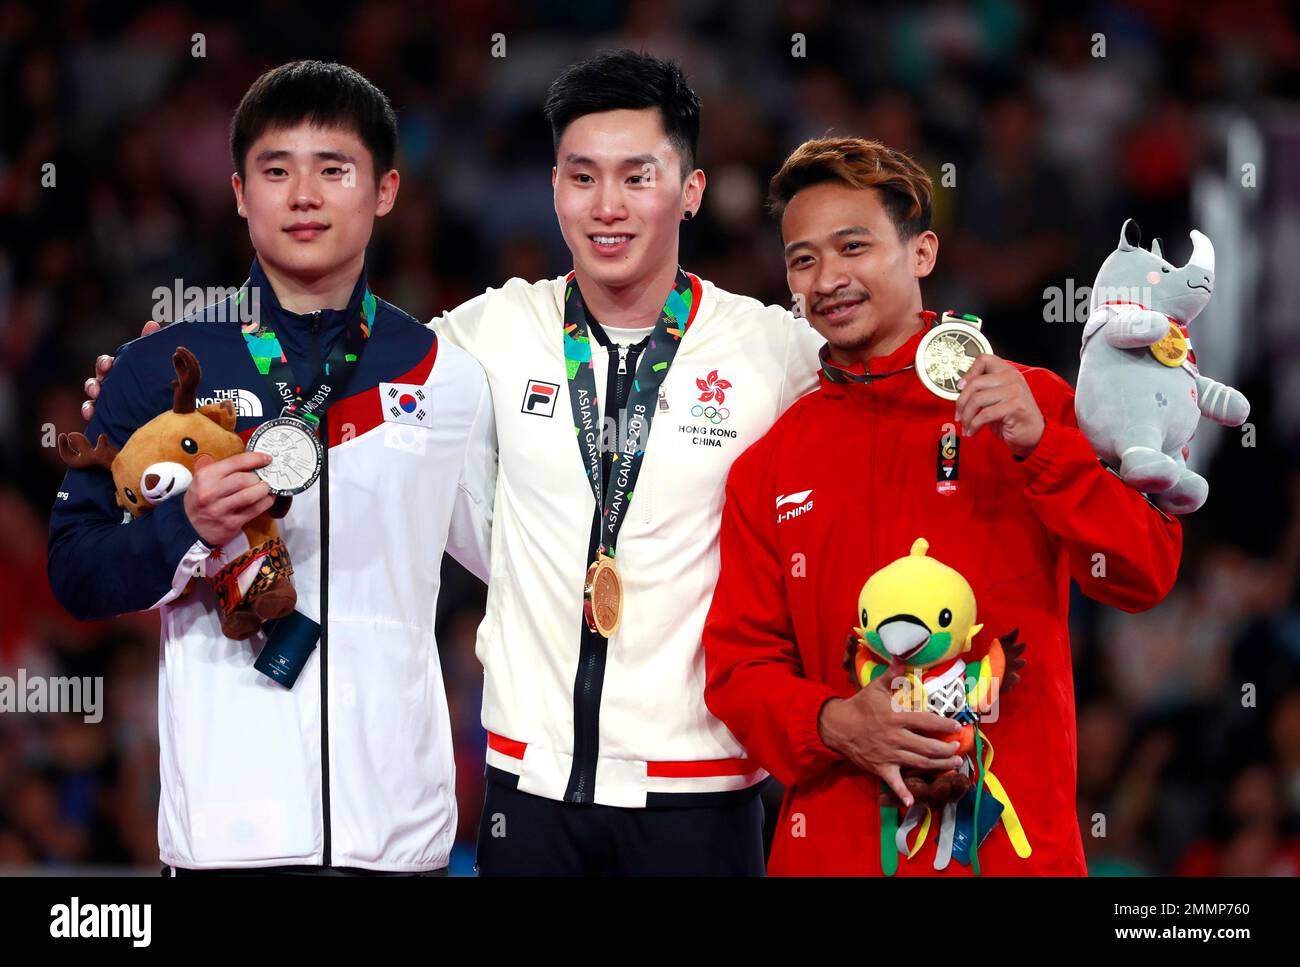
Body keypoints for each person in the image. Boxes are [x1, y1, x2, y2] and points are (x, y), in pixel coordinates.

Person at [49, 61, 495, 875]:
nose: (304, 194)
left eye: (334, 169)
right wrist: (182, 528)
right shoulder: (157, 371)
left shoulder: (445, 376)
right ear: (239, 192)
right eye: (276, 170)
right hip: (227, 840)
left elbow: (522, 560)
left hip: (399, 840)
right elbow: (75, 571)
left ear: (385, 190)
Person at [701, 136, 1184, 875]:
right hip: (837, 850)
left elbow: (1143, 571)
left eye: (852, 246)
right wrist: (833, 722)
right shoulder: (768, 466)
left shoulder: (1030, 406)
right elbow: (739, 670)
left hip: (1014, 850)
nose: (827, 278)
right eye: (803, 259)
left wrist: (1041, 451)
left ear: (922, 252)